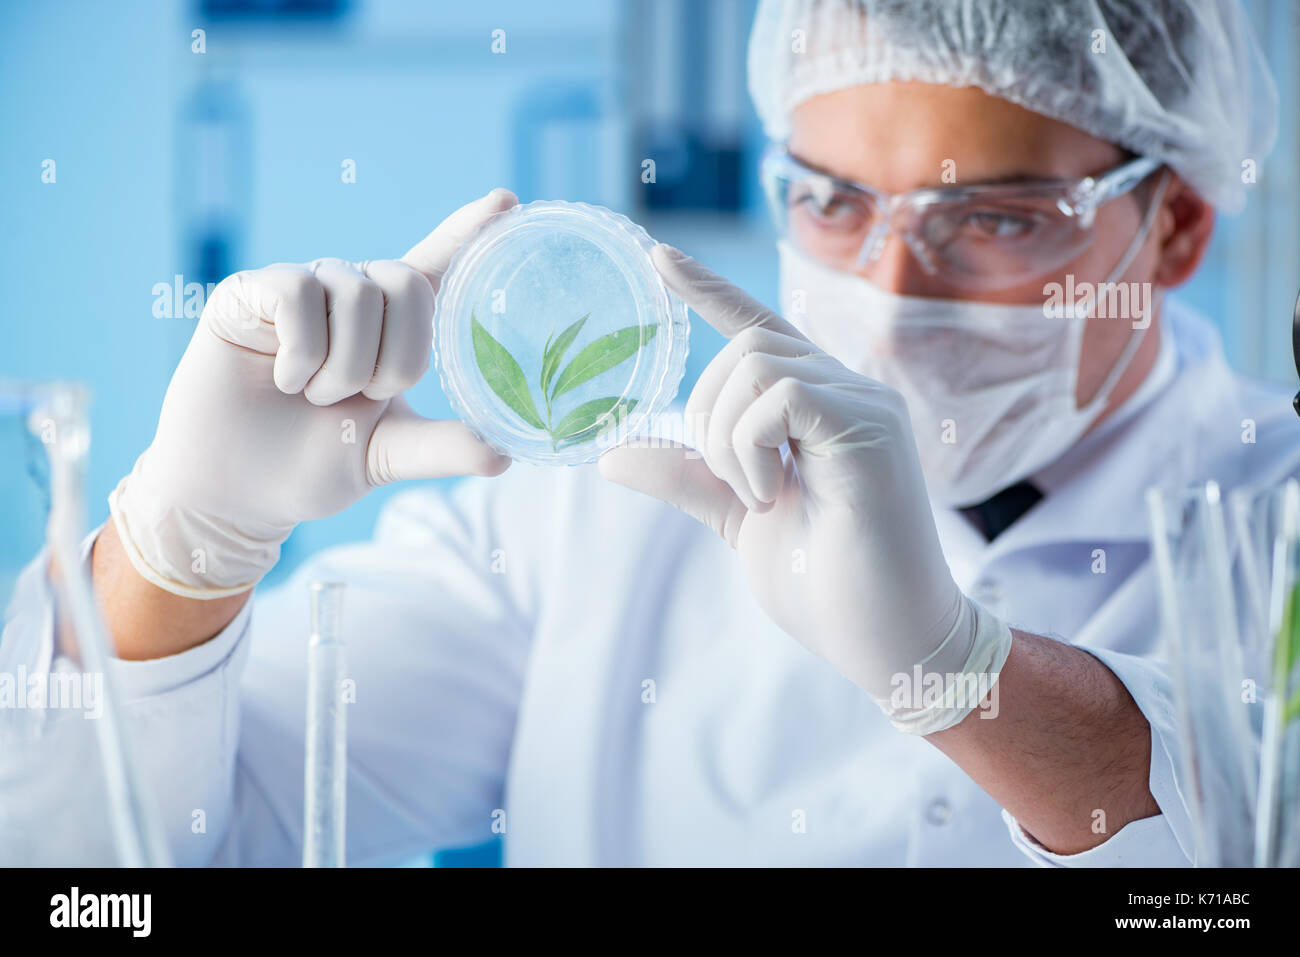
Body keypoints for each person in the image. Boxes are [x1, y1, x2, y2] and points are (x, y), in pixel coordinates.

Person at [2, 0, 1293, 866]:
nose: (892, 290)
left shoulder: (1276, 519)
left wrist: (954, 674)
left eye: (997, 219)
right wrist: (183, 551)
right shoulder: (599, 500)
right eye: (832, 203)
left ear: (1174, 225)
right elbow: (142, 849)